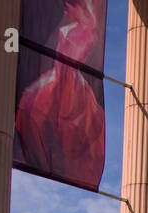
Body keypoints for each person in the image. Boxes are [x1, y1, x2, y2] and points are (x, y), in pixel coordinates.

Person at [14, 0, 107, 187]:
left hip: (67, 84)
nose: (66, 6)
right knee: (32, 108)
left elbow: (67, 68)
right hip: (59, 81)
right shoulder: (70, 28)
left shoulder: (85, 30)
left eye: (71, 3)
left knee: (51, 116)